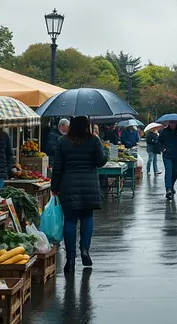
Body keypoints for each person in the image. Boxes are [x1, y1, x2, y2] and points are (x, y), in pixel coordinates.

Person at [51, 116, 108, 273]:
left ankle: (70, 259)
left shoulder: (63, 141)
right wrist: (101, 145)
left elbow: (57, 167)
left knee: (69, 221)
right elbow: (101, 161)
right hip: (89, 186)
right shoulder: (93, 140)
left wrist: (54, 187)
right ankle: (85, 250)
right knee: (87, 218)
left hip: (68, 185)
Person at [157, 122, 177, 200]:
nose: (172, 124)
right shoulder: (164, 131)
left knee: (175, 172)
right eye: (171, 123)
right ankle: (168, 189)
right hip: (167, 155)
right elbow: (159, 142)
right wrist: (163, 149)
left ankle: (172, 185)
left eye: (174, 123)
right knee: (169, 171)